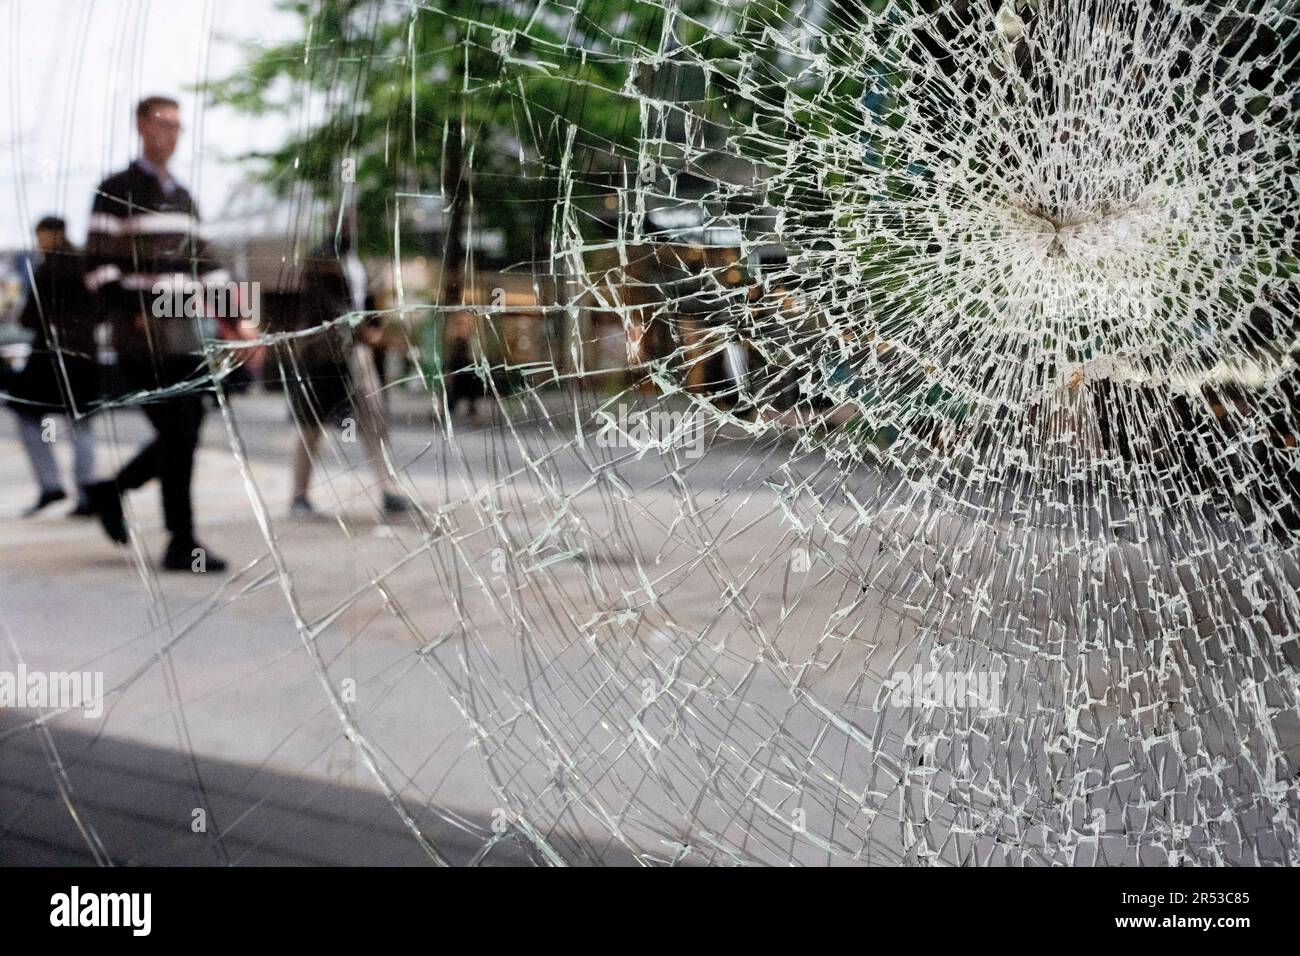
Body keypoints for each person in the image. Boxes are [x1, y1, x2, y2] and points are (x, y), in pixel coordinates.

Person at [81, 95, 228, 572]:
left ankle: (118, 494)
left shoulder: (184, 198)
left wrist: (239, 317)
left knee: (184, 429)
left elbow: (206, 265)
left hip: (184, 331)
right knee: (180, 431)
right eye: (163, 124)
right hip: (140, 338)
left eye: (178, 127)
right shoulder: (114, 190)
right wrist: (138, 310)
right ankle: (177, 537)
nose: (171, 134)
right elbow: (98, 270)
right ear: (142, 126)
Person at [282, 205, 409, 517]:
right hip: (323, 354)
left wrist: (372, 330)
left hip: (355, 353)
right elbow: (325, 304)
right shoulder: (320, 258)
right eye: (346, 221)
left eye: (354, 221)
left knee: (374, 416)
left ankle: (387, 489)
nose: (351, 227)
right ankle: (299, 495)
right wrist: (362, 331)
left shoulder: (355, 262)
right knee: (311, 424)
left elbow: (362, 303)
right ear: (334, 223)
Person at [8, 216, 100, 516]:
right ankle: (84, 491)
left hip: (51, 357)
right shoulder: (85, 264)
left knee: (26, 413)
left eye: (41, 235)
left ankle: (52, 485)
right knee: (80, 423)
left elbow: (30, 316)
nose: (38, 241)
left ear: (53, 234)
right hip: (82, 356)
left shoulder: (49, 268)